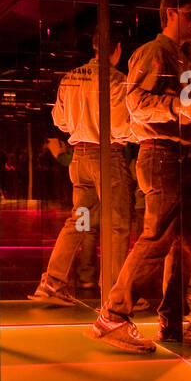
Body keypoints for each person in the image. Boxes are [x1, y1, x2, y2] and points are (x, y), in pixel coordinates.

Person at [88, 0, 191, 353]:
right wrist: (180, 107)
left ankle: (172, 320)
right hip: (160, 155)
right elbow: (137, 104)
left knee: (183, 242)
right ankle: (114, 314)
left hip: (178, 155)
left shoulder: (183, 60)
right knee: (159, 237)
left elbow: (180, 111)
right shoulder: (155, 52)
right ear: (169, 14)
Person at [31, 33, 134, 306]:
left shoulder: (71, 77)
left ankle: (52, 282)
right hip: (107, 158)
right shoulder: (117, 80)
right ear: (118, 48)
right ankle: (114, 294)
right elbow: (123, 126)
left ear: (94, 46)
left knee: (79, 221)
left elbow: (60, 122)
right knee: (117, 225)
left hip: (79, 158)